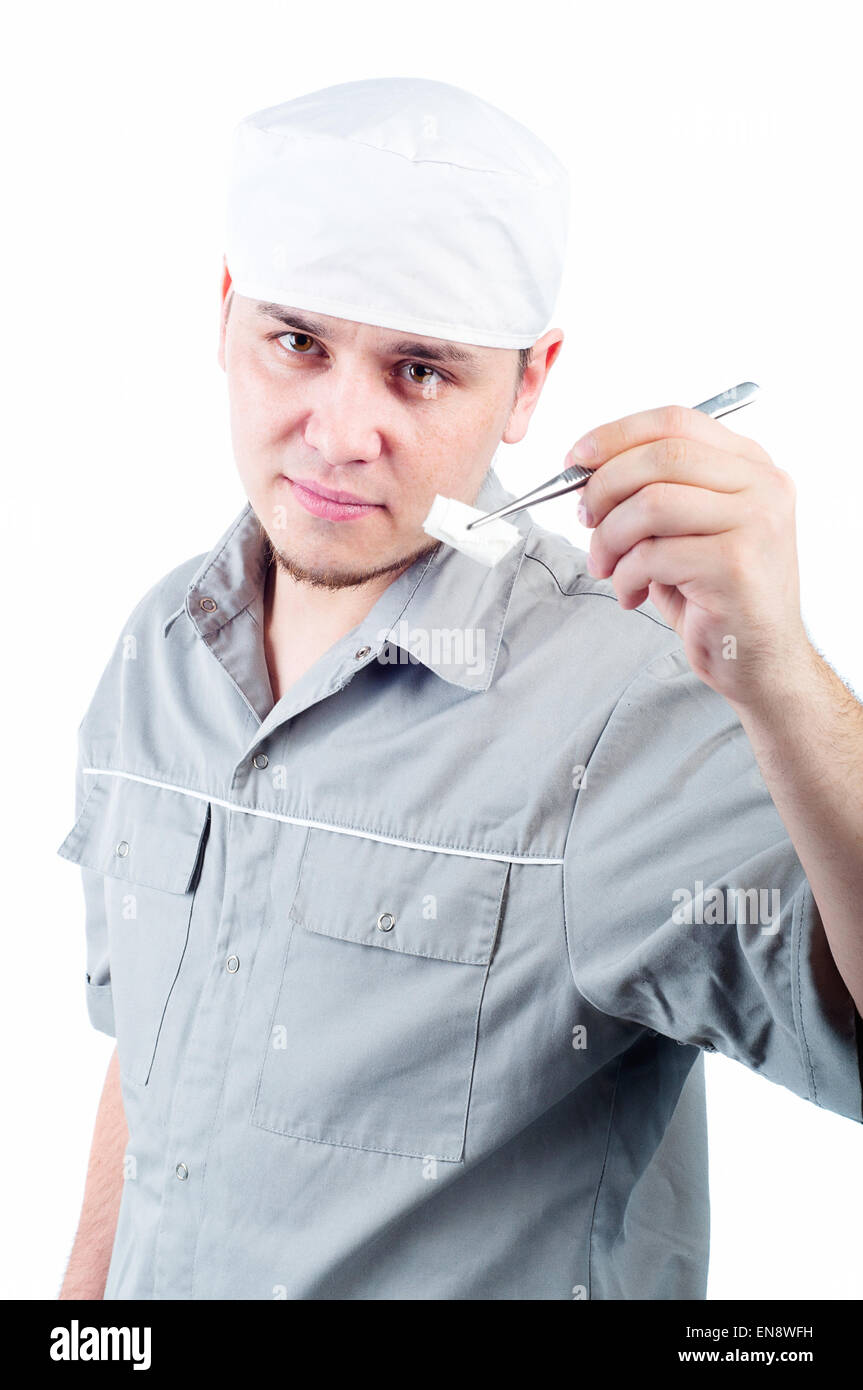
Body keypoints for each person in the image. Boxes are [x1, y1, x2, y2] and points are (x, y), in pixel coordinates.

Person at [58, 76, 863, 1301]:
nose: (337, 434)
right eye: (297, 341)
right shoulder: (159, 646)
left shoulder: (623, 709)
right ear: (225, 313)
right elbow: (152, 1070)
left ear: (528, 385)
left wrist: (787, 680)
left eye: (420, 371)